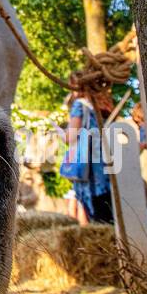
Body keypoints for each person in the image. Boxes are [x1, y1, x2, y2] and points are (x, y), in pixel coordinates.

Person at [61, 91, 115, 224]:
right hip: (106, 165)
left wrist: (61, 134)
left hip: (90, 169)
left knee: (95, 215)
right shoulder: (103, 107)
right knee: (108, 212)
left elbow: (71, 137)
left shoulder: (80, 105)